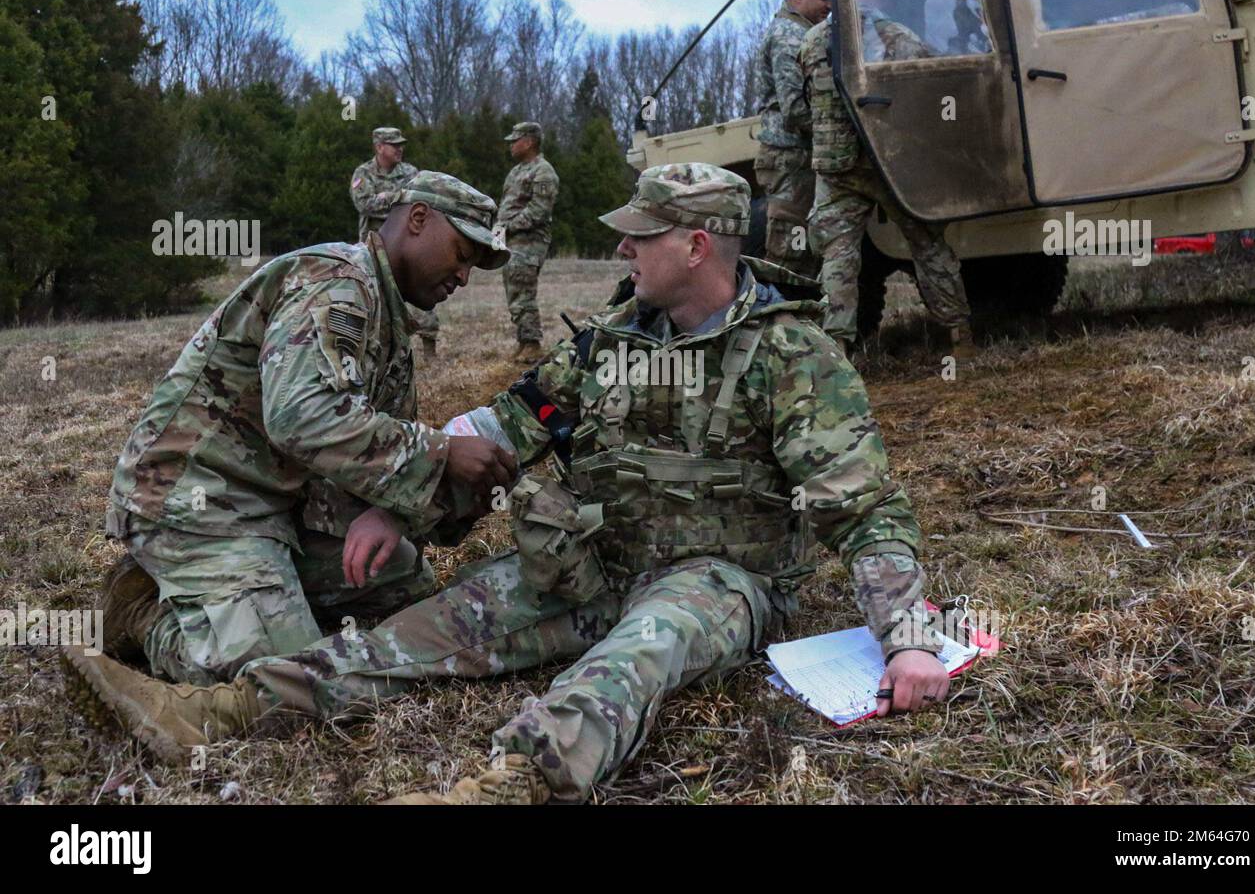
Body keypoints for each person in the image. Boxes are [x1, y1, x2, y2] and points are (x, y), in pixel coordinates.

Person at [64, 163, 950, 805]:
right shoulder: (608, 343)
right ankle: (219, 710)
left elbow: (861, 503)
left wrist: (908, 636)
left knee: (629, 665)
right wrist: (394, 502)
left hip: (717, 578)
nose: (621, 247)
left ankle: (508, 783)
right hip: (585, 562)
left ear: (695, 243)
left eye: (640, 235)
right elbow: (507, 426)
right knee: (413, 633)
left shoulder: (792, 355)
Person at [94, 171, 517, 687]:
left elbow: (361, 444)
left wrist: (394, 511)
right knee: (278, 672)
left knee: (401, 588)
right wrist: (441, 452)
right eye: (461, 252)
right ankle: (143, 612)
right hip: (199, 498)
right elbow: (301, 417)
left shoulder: (387, 321)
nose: (464, 276)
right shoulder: (336, 282)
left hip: (278, 501)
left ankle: (245, 596)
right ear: (419, 219)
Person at [800, 8, 975, 358]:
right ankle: (960, 337)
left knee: (837, 256)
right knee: (927, 243)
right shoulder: (896, 34)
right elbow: (927, 85)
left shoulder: (812, 39)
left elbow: (807, 103)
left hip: (837, 165)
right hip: (889, 161)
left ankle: (836, 352)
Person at [753, 0, 832, 292]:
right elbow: (796, 109)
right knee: (789, 252)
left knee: (804, 247)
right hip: (790, 159)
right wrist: (839, 131)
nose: (829, 5)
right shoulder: (790, 36)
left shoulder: (802, 31)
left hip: (797, 157)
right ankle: (776, 325)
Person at [350, 127, 440, 356]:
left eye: (401, 144)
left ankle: (429, 347)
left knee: (417, 290)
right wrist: (398, 200)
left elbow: (419, 203)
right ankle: (382, 350)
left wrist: (385, 197)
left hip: (407, 245)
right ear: (380, 147)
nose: (400, 149)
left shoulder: (411, 172)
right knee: (376, 298)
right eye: (394, 145)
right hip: (373, 246)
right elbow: (363, 205)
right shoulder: (363, 173)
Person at [498, 121, 560, 362]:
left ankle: (533, 344)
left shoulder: (543, 171)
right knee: (514, 290)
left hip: (529, 241)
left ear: (530, 141)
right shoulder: (516, 172)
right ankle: (524, 341)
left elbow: (539, 210)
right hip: (512, 241)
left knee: (523, 291)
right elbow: (507, 206)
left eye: (516, 139)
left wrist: (508, 227)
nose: (511, 145)